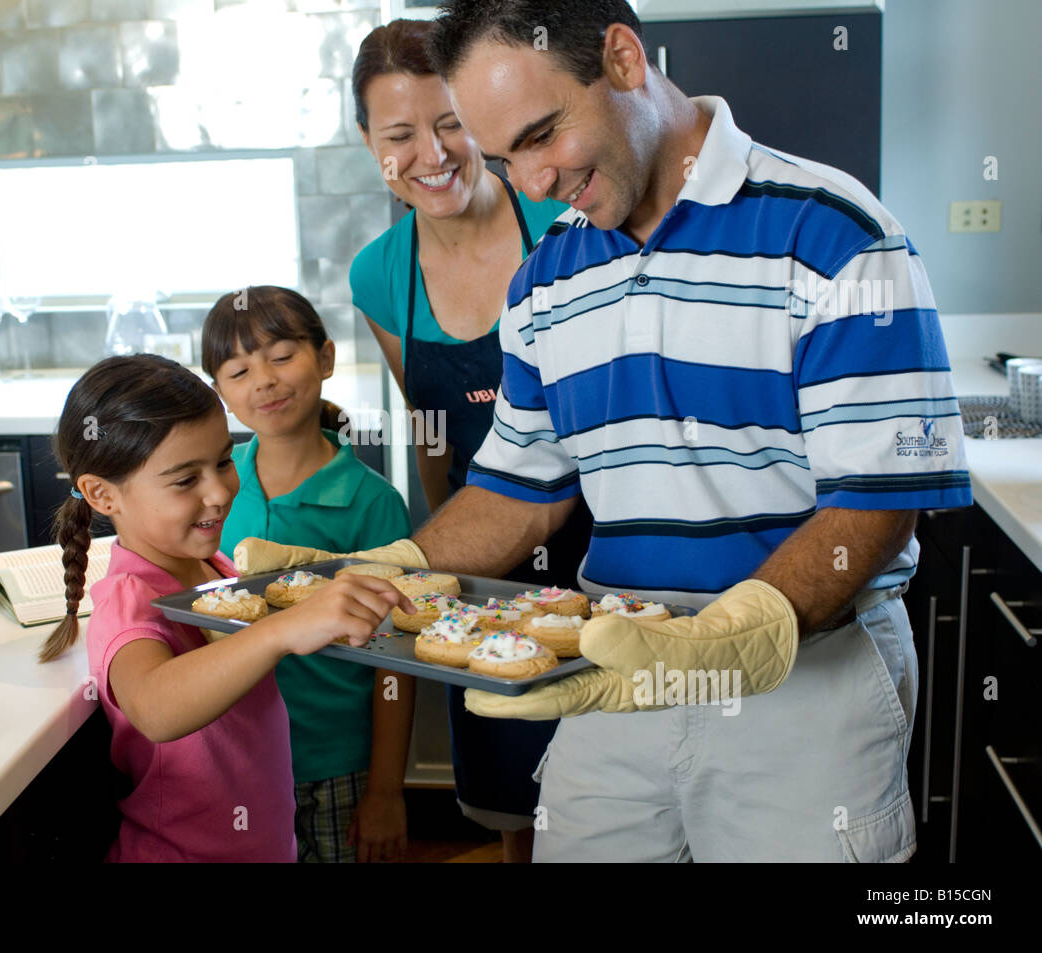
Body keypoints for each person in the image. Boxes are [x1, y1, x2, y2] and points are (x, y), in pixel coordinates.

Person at [240, 0, 972, 861]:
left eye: (544, 135)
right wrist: (388, 574)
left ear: (624, 59)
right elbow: (517, 490)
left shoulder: (835, 236)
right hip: (611, 680)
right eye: (508, 158)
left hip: (804, 688)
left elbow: (878, 504)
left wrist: (739, 634)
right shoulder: (548, 281)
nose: (535, 184)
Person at [346, 19, 590, 862]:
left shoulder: (564, 221)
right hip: (479, 571)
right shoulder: (379, 273)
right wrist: (444, 550)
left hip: (603, 555)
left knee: (614, 793)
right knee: (515, 802)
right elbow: (429, 423)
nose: (432, 153)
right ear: (370, 145)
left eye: (451, 121)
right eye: (399, 134)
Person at [38, 354, 413, 862]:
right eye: (184, 480)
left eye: (222, 461)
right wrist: (280, 630)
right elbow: (155, 708)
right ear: (102, 494)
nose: (219, 492)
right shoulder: (131, 600)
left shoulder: (214, 569)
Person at [202, 285, 415, 863]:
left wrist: (386, 790)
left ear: (324, 358)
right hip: (235, 754)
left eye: (281, 356)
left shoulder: (374, 504)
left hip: (335, 760)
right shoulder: (216, 491)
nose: (264, 381)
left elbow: (396, 664)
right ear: (220, 392)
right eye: (239, 370)